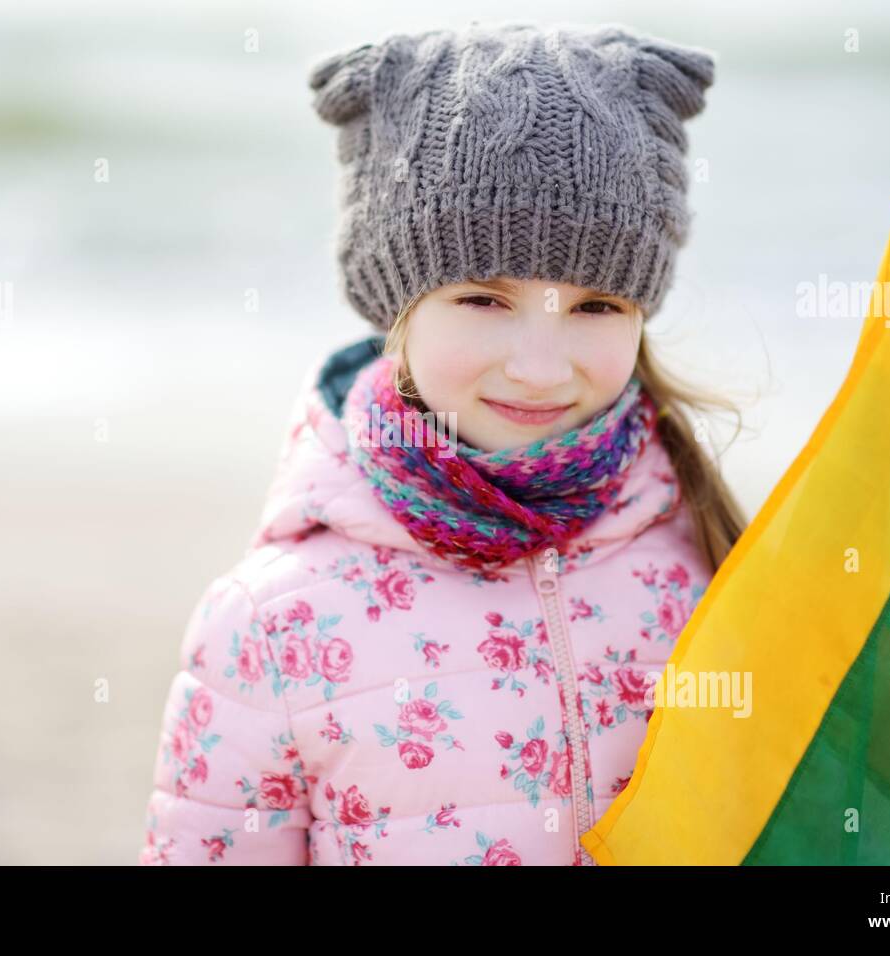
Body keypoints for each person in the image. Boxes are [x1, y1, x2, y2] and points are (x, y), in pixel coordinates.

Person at [139, 21, 748, 866]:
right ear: (396, 304)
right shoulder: (274, 624)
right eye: (483, 300)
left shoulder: (715, 567)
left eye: (597, 306)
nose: (539, 368)